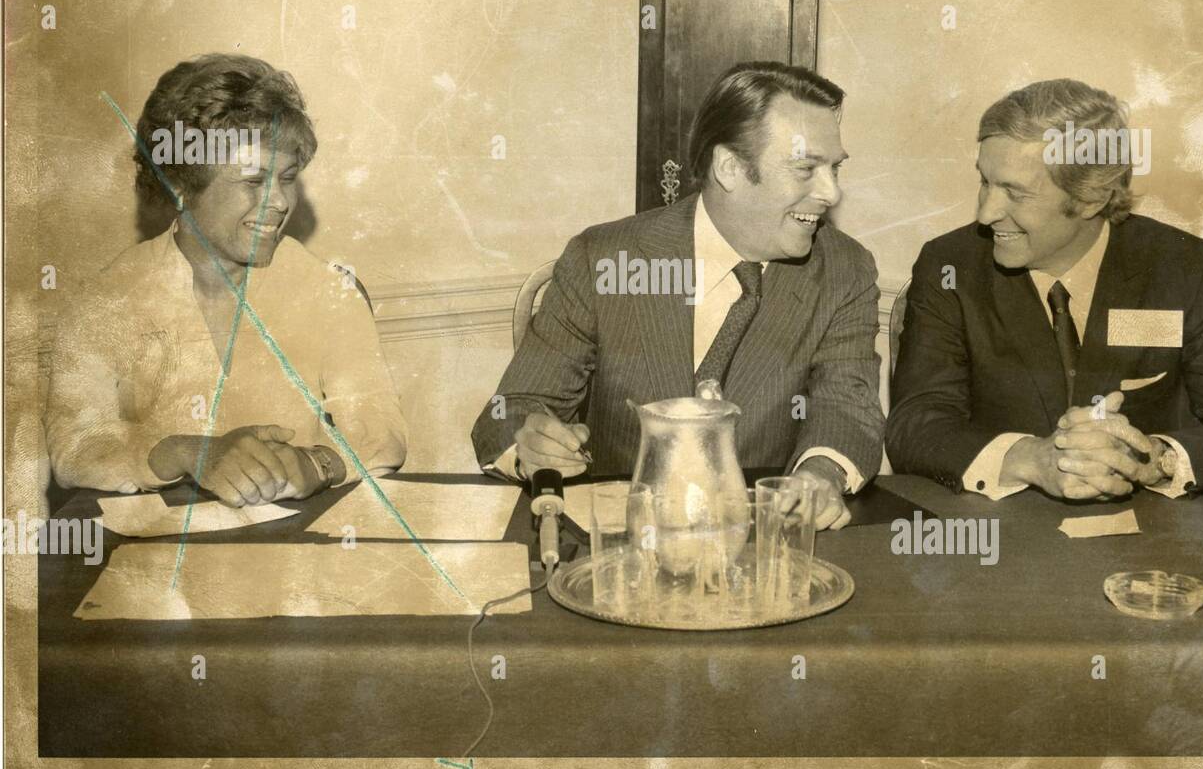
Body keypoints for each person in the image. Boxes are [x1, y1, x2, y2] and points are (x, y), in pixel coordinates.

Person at [471, 61, 885, 529]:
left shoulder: (845, 270)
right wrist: (529, 446)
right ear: (730, 168)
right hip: (620, 551)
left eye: (835, 168)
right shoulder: (605, 259)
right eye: (806, 168)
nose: (830, 192)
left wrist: (820, 475)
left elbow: (847, 405)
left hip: (758, 545)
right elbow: (511, 409)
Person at [44, 54, 407, 507]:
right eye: (253, 182)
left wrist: (317, 464)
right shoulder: (105, 301)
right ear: (180, 186)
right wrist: (181, 451)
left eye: (288, 178)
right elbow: (75, 444)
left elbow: (380, 426)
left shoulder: (326, 290)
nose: (278, 202)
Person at [886, 78, 1203, 501]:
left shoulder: (1186, 268)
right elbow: (915, 425)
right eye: (986, 182)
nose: (986, 212)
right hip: (1000, 540)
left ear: (1090, 200)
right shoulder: (951, 266)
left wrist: (1154, 460)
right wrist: (1030, 458)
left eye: (1014, 192)